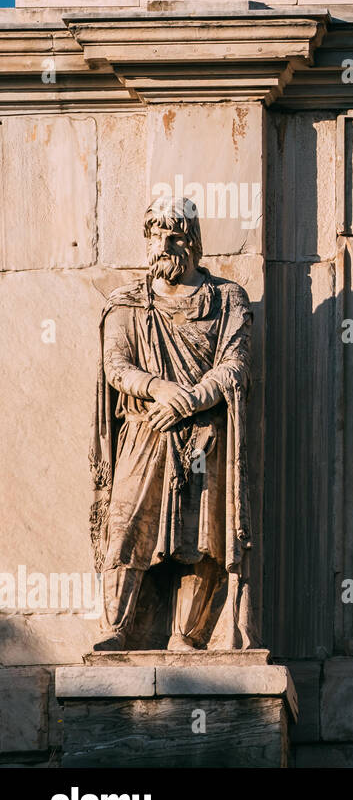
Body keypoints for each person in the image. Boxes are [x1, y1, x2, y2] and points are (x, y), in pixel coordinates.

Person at [90, 196, 255, 651]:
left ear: (193, 243)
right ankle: (115, 628)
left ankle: (188, 635)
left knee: (201, 537)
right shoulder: (127, 303)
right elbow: (115, 365)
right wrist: (160, 389)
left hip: (204, 433)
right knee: (125, 524)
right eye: (155, 235)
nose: (163, 244)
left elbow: (235, 364)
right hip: (145, 428)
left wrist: (190, 400)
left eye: (174, 236)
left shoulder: (226, 299)